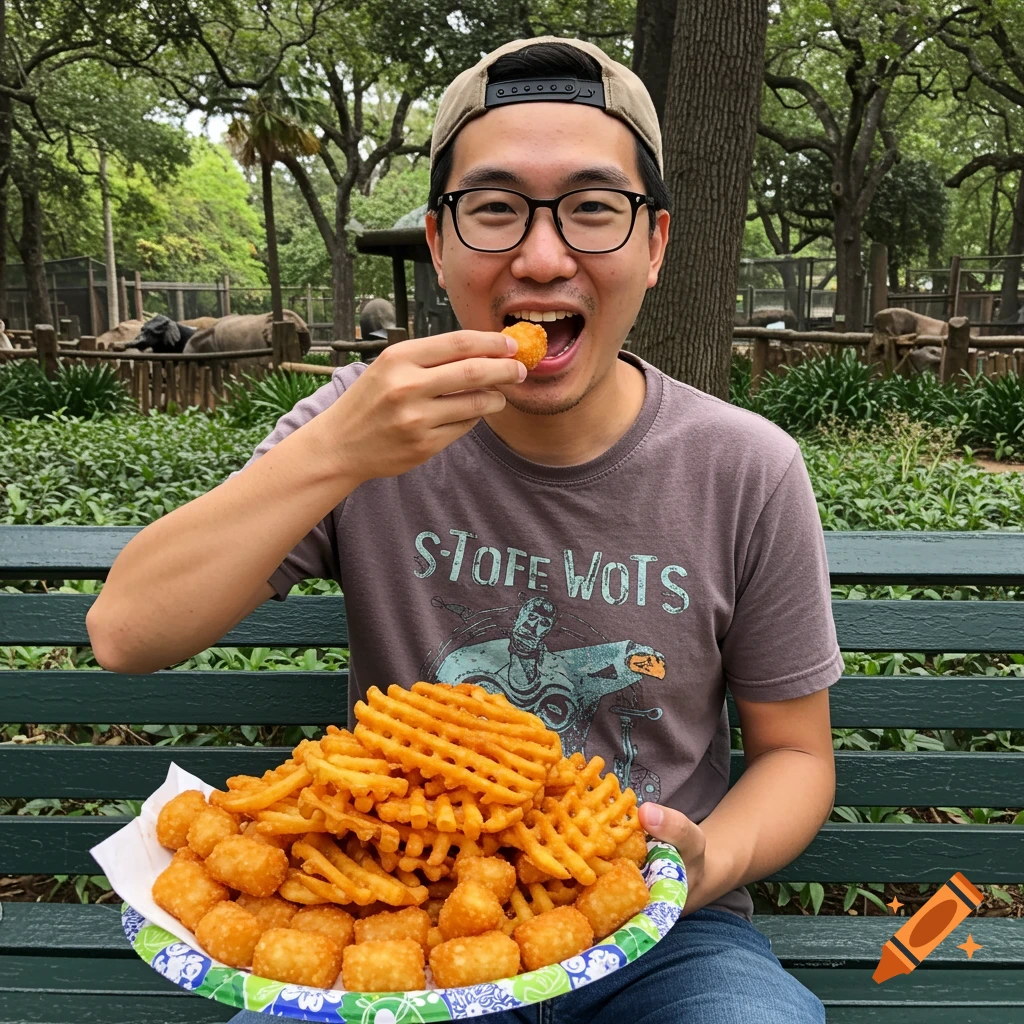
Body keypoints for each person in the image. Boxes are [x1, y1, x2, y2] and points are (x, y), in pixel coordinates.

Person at [87, 36, 841, 1024]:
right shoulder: (360, 424)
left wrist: (707, 863)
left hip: (666, 935)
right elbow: (126, 632)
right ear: (439, 243)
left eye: (592, 208)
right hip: (401, 924)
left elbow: (796, 754)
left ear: (654, 244)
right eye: (493, 209)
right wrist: (336, 451)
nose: (542, 255)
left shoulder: (744, 466)